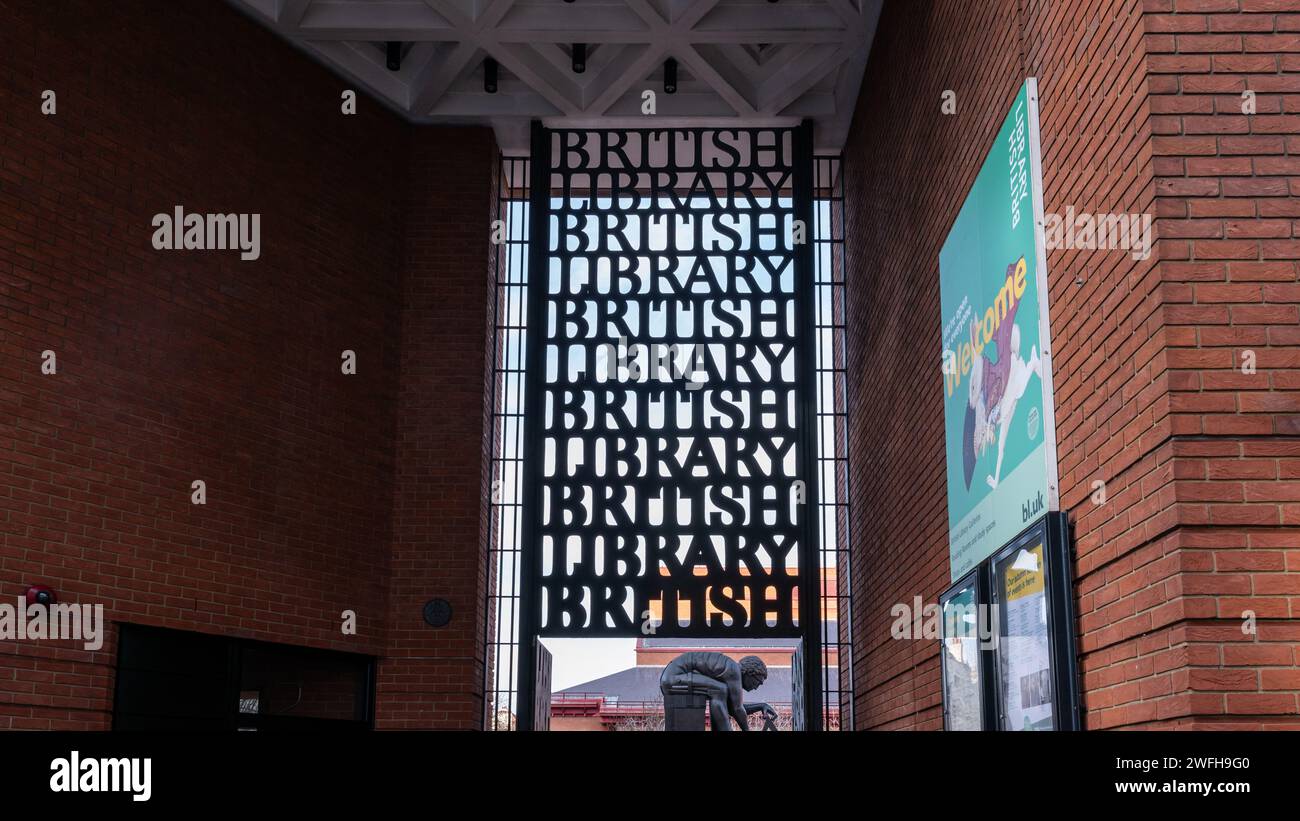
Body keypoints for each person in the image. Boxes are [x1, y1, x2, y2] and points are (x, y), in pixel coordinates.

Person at [659, 651, 777, 731]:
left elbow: (733, 708)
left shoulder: (730, 670)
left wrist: (761, 706)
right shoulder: (733, 670)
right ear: (750, 673)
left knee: (720, 690)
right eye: (758, 682)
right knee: (719, 690)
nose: (756, 687)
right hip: (673, 678)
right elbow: (737, 709)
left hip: (674, 678)